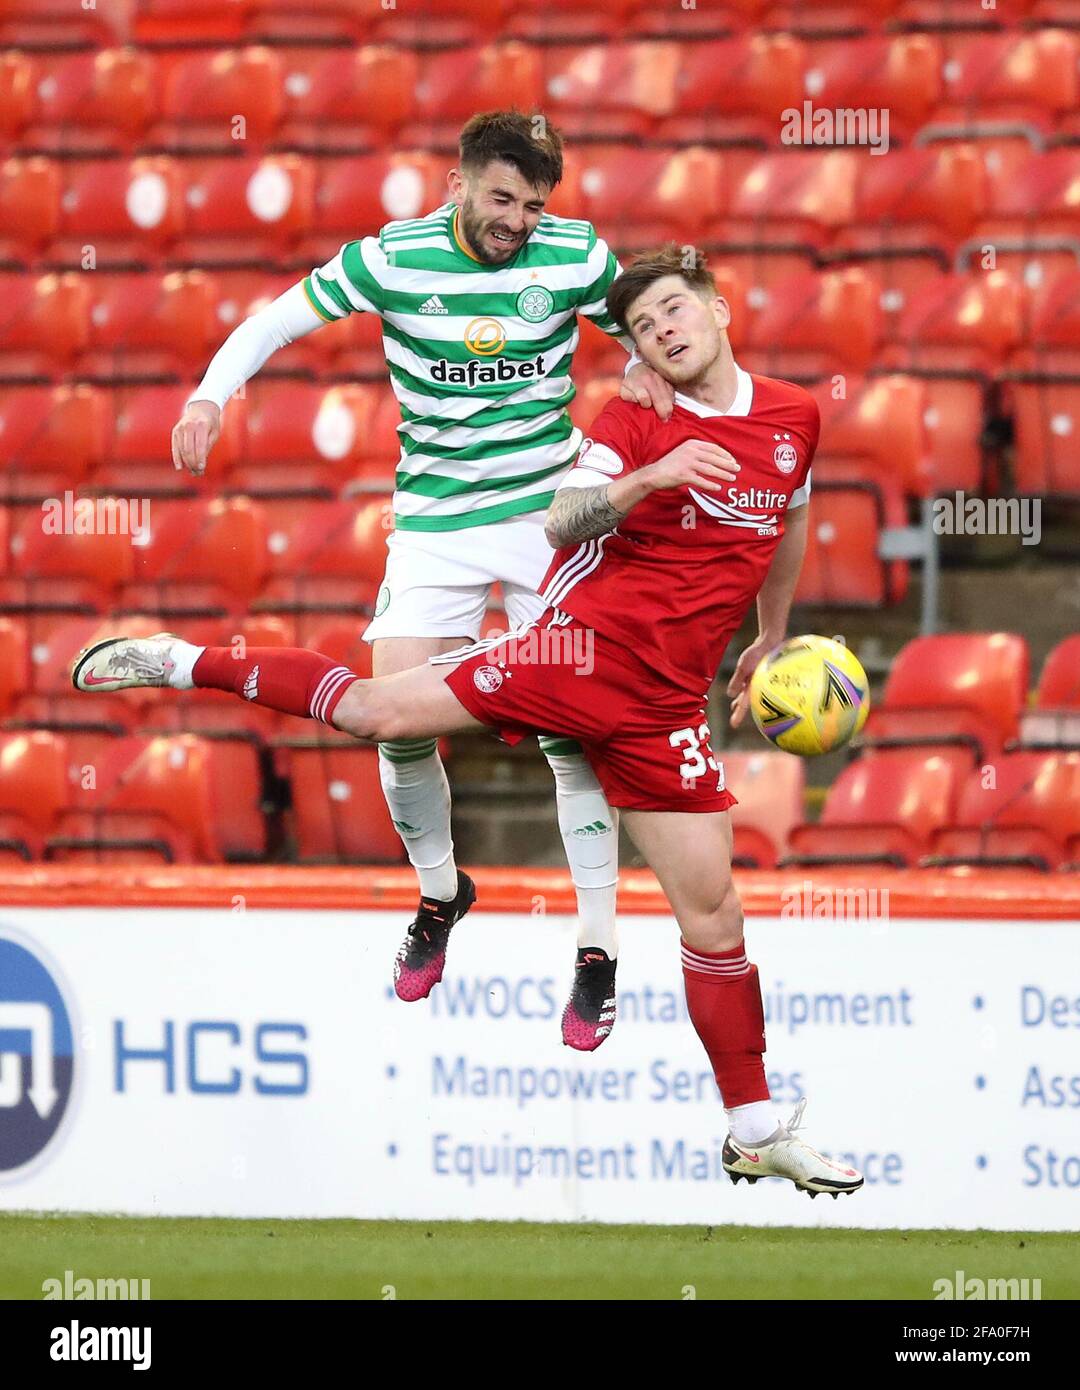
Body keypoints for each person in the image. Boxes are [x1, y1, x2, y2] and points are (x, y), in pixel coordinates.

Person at [75, 245, 863, 1196]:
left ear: (718, 309)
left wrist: (772, 639)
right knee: (375, 712)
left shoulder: (794, 416)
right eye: (647, 323)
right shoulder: (636, 418)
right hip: (578, 655)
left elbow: (790, 521)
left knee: (716, 912)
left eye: (673, 311)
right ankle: (181, 659)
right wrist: (649, 482)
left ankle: (752, 1126)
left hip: (666, 704)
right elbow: (564, 519)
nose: (663, 330)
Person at [168, 110, 675, 1051]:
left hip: (546, 517)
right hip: (437, 524)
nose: (516, 221)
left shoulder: (574, 254)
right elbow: (275, 319)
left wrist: (644, 364)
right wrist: (208, 394)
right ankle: (442, 892)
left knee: (576, 732)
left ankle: (598, 950)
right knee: (391, 725)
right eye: (499, 198)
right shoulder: (390, 260)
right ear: (457, 185)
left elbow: (649, 323)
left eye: (531, 204)